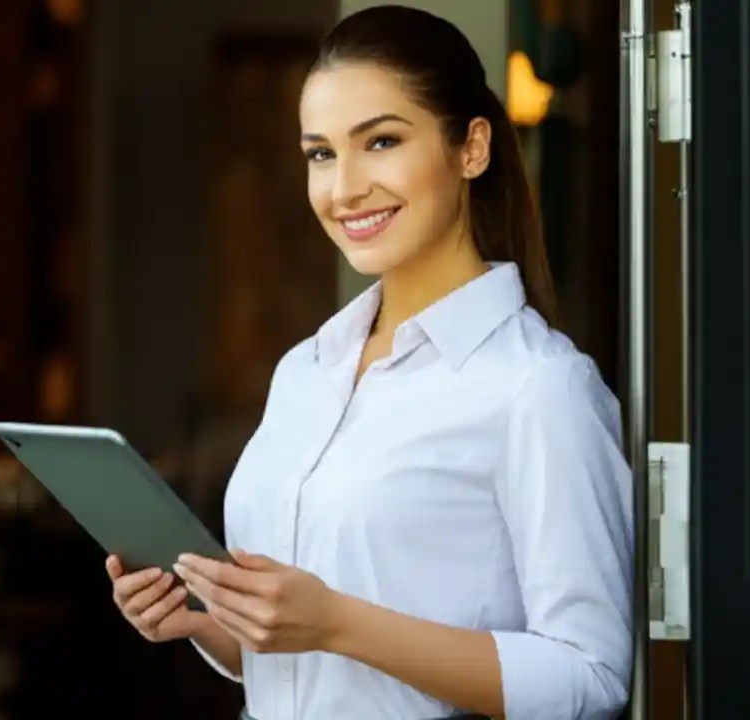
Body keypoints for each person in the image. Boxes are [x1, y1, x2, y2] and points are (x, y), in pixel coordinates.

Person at [105, 6, 633, 719]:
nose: (344, 187)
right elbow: (306, 663)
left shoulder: (540, 388)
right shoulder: (306, 371)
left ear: (471, 148)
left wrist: (338, 622)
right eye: (320, 153)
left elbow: (591, 677)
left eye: (380, 141)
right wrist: (209, 621)